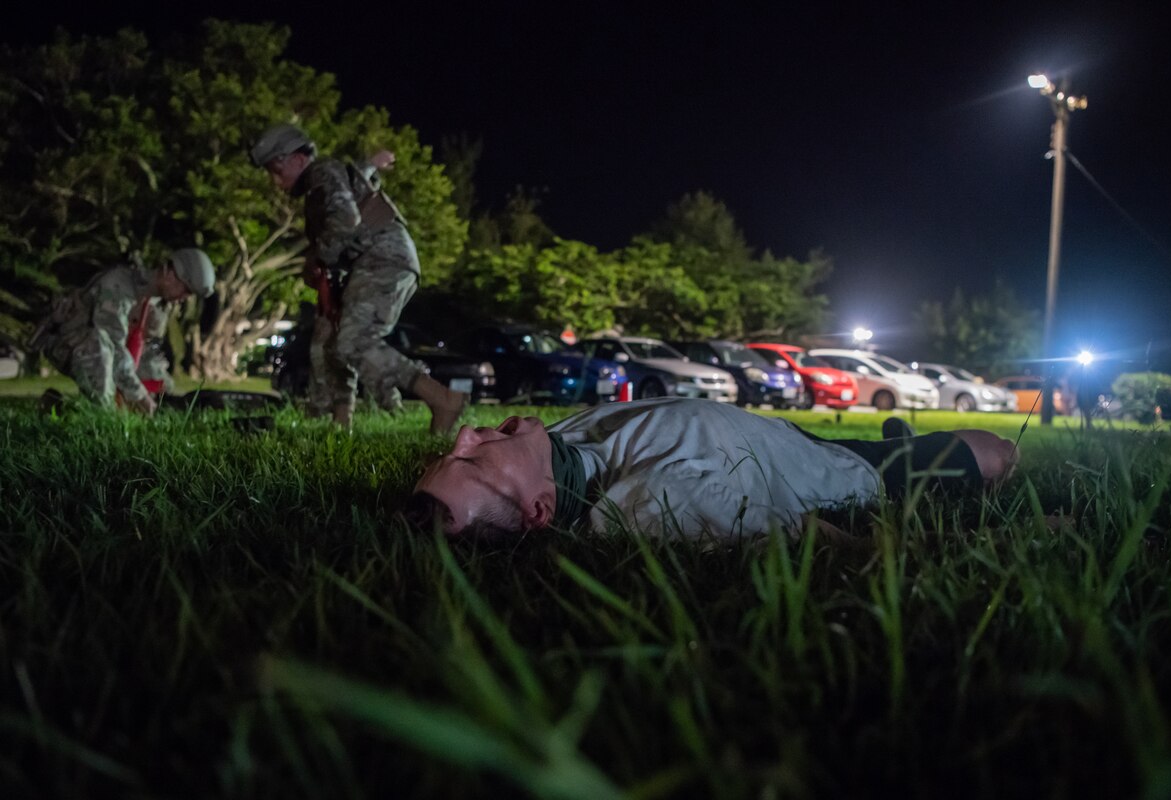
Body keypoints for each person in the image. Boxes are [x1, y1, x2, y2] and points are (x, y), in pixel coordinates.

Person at [411, 397, 1020, 539]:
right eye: (473, 457)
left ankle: (898, 434)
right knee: (997, 453)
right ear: (539, 507)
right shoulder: (652, 503)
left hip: (774, 429)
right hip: (833, 465)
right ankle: (897, 445)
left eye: (454, 446)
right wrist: (1002, 533)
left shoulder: (563, 445)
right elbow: (813, 535)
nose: (464, 433)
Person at [249, 123, 465, 432]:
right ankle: (337, 422)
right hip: (372, 260)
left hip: (383, 258)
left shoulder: (321, 172)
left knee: (353, 341)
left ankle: (441, 399)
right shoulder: (320, 183)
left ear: (297, 159)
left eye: (276, 168)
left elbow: (346, 219)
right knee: (329, 341)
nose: (274, 180)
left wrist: (319, 257)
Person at [32, 249, 215, 414]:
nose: (184, 298)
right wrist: (141, 395)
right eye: (185, 289)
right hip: (70, 344)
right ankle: (77, 413)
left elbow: (143, 349)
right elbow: (113, 346)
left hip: (110, 350)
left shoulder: (154, 303)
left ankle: (97, 408)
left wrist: (155, 391)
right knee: (100, 349)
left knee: (162, 387)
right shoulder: (118, 285)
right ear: (169, 273)